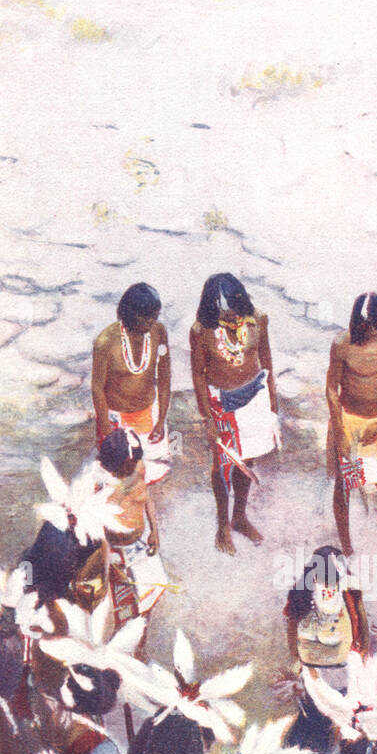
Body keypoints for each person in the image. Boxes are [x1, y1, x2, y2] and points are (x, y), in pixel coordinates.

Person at [189, 273, 279, 554]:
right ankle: (222, 525)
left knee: (246, 461)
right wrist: (208, 418)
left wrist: (272, 403)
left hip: (255, 398)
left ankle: (239, 517)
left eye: (233, 309)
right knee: (222, 467)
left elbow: (267, 361)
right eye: (222, 310)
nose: (228, 315)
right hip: (222, 405)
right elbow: (198, 374)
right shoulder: (201, 331)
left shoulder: (258, 319)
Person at [326, 293, 377, 565]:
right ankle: (347, 548)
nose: (371, 332)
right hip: (348, 422)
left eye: (375, 326)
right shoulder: (343, 344)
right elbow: (331, 388)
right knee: (345, 484)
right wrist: (338, 429)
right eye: (365, 327)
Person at [282, 545, 369, 754]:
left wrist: (362, 648)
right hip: (314, 667)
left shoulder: (350, 589)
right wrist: (297, 660)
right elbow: (293, 626)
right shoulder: (302, 592)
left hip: (344, 663)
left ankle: (337, 740)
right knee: (315, 712)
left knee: (344, 706)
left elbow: (360, 616)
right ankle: (309, 743)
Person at [91, 283, 172, 485]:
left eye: (155, 316)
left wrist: (161, 419)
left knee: (148, 474)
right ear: (130, 313)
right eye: (146, 317)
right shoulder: (106, 342)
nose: (151, 322)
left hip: (148, 415)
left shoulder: (158, 332)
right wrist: (110, 436)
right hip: (117, 419)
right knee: (117, 480)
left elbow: (164, 377)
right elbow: (97, 389)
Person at [97, 428, 168, 639]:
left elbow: (146, 498)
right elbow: (93, 523)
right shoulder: (103, 486)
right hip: (118, 556)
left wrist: (154, 530)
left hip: (139, 547)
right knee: (125, 613)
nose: (133, 465)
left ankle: (140, 646)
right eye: (129, 463)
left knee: (149, 599)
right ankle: (124, 651)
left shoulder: (139, 468)